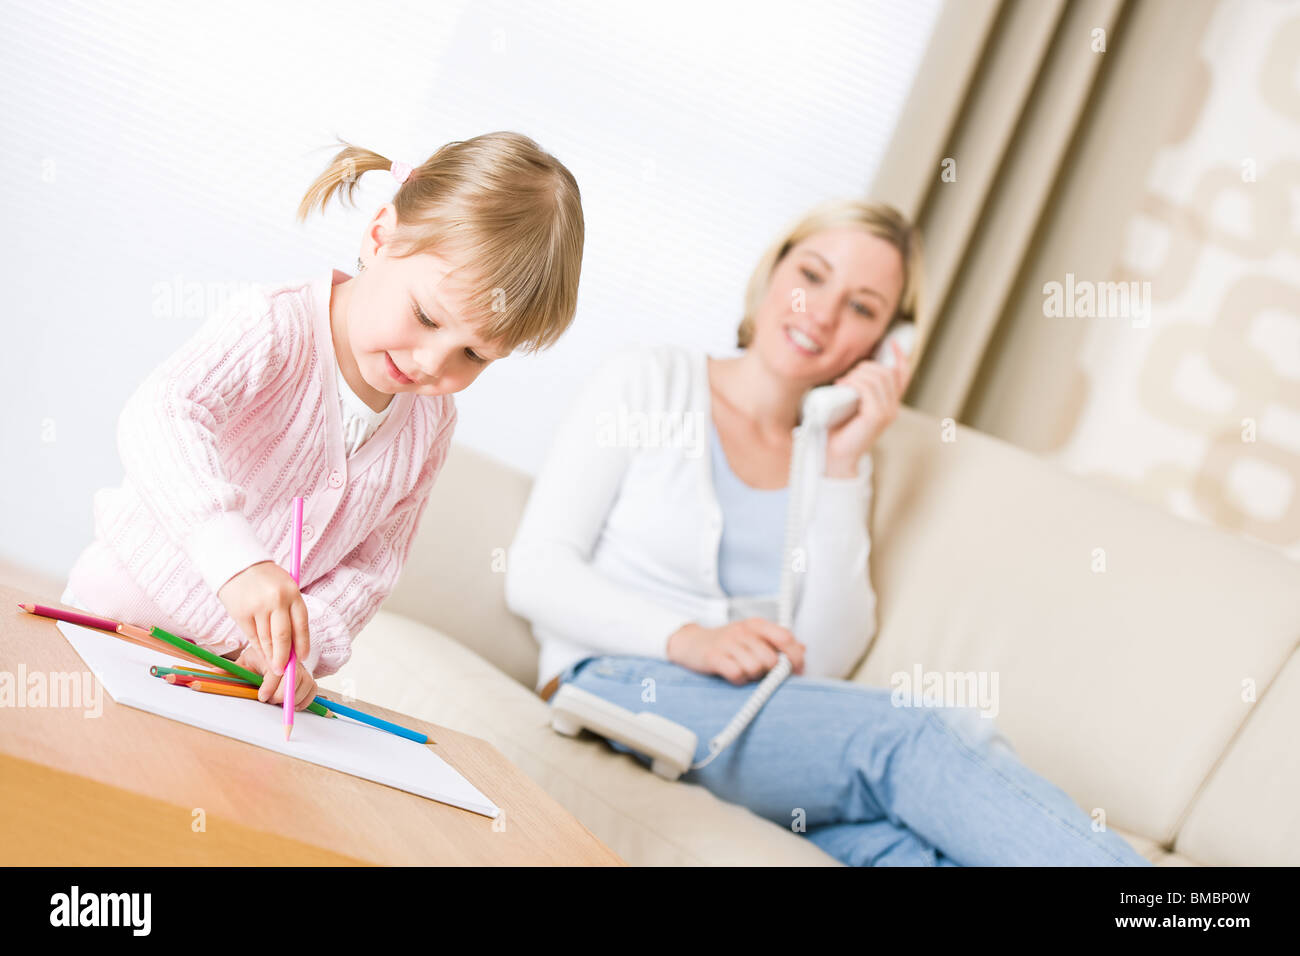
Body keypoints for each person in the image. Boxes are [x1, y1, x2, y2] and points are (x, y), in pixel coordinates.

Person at [505, 198, 1150, 866]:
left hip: (752, 724)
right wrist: (690, 640)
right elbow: (535, 570)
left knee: (910, 853)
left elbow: (823, 658)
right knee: (914, 738)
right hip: (619, 684)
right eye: (812, 275)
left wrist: (844, 464)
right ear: (773, 271)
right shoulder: (651, 379)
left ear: (884, 345)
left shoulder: (829, 454)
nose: (823, 312)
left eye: (863, 308)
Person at [64, 132, 584, 710]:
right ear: (381, 237)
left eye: (475, 357)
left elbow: (371, 567)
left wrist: (298, 646)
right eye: (427, 317)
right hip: (113, 617)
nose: (432, 364)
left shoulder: (430, 424)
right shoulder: (277, 326)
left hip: (230, 683)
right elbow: (160, 416)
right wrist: (236, 561)